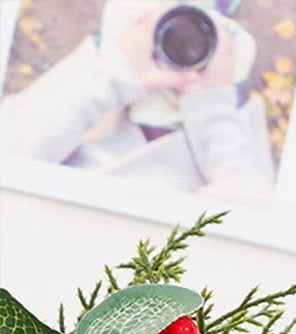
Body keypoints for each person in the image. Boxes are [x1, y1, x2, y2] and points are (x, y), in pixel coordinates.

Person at [0, 1, 274, 200]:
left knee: (79, 90)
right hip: (188, 176)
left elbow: (10, 152)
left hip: (75, 156)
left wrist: (118, 74)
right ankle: (190, 35)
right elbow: (251, 215)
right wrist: (212, 108)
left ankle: (138, 46)